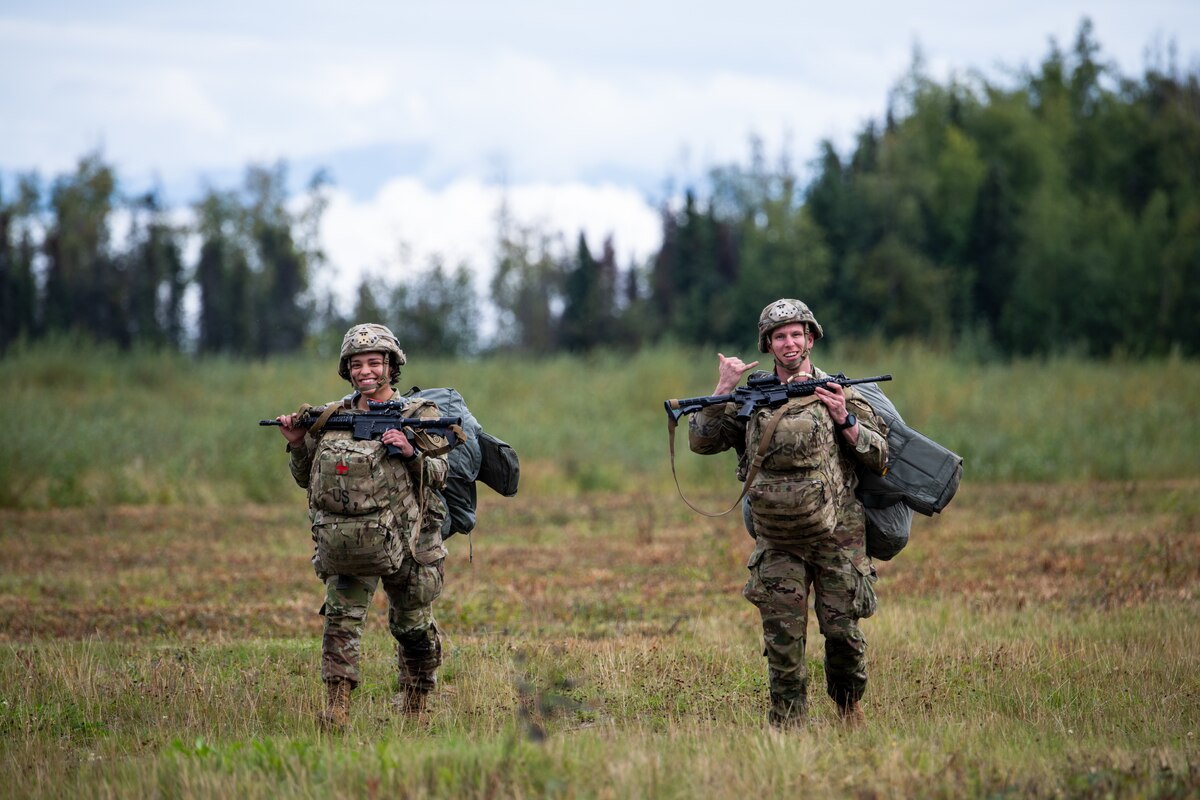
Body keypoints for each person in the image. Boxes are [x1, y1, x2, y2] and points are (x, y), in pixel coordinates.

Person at [687, 299, 889, 728]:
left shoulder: (839, 392)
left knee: (843, 636)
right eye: (780, 336)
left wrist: (844, 418)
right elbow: (703, 443)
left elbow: (880, 455)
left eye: (797, 334)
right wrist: (722, 390)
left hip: (837, 533)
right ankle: (787, 728)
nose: (789, 342)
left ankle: (849, 708)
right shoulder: (752, 397)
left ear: (810, 338)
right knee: (782, 640)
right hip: (778, 537)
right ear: (768, 344)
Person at [274, 323, 451, 730]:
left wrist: (410, 451)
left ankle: (417, 705)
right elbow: (308, 479)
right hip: (351, 539)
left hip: (409, 540)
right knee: (341, 620)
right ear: (346, 369)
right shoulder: (332, 417)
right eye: (357, 364)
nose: (366, 371)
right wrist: (298, 443)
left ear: (391, 365)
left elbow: (441, 472)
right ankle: (336, 710)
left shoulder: (419, 415)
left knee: (411, 626)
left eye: (374, 362)